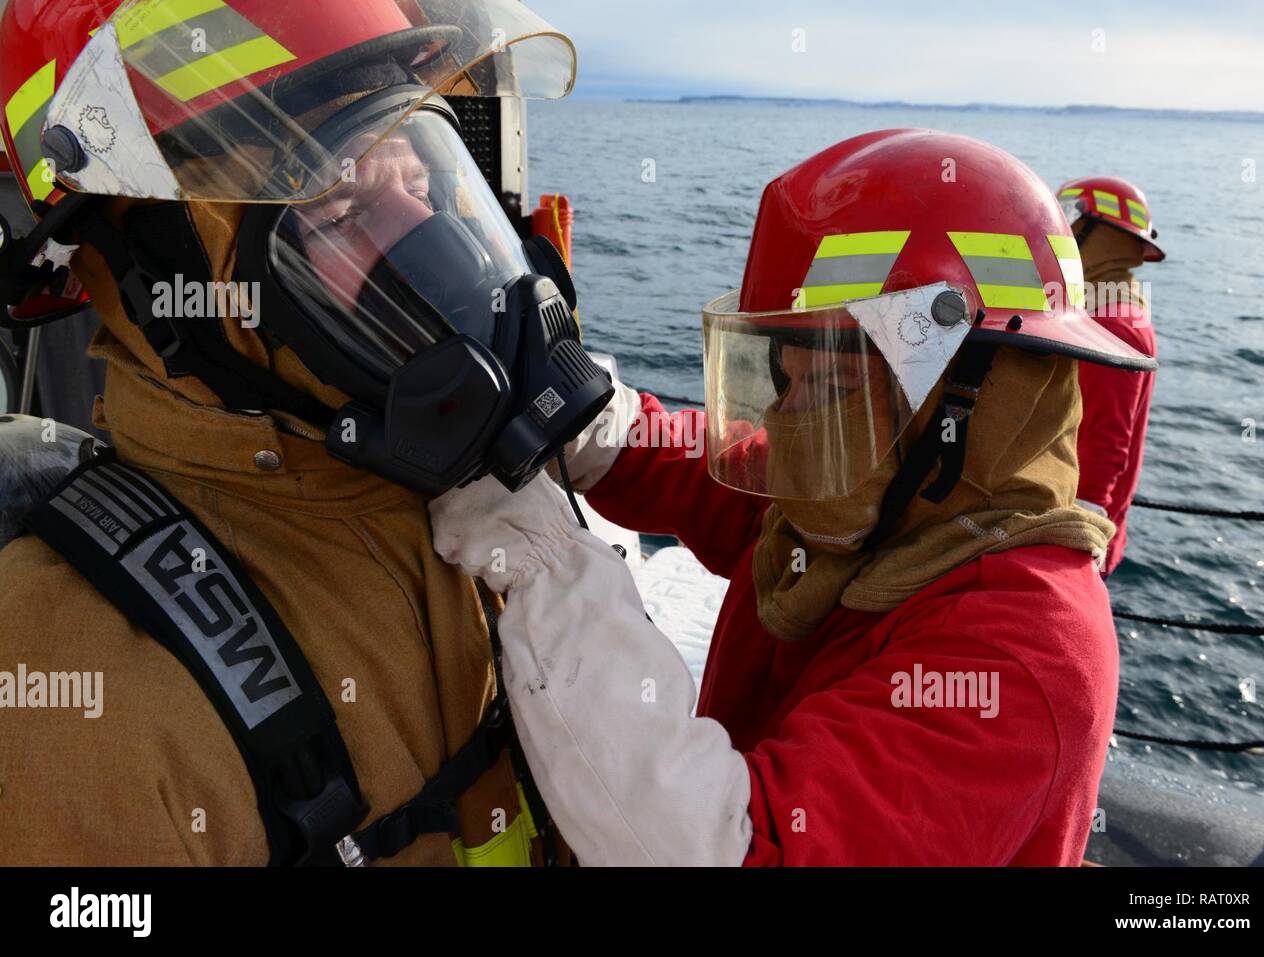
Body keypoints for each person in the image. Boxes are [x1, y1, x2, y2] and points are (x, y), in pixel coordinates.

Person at [428, 129, 1159, 866]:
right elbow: (704, 471)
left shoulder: (1025, 653)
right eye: (787, 379)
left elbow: (741, 851)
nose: (787, 421)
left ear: (973, 402)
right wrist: (587, 421)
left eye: (832, 385)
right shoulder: (872, 494)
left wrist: (547, 564)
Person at [0, 0, 597, 866]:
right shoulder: (79, 705)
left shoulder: (444, 492)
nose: (433, 248)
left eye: (423, 176)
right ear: (151, 277)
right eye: (343, 203)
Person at [1058, 176, 1163, 576]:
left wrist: (1081, 540)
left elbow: (1105, 439)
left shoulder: (1114, 322)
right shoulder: (1107, 299)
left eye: (1067, 220)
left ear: (1094, 231)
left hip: (1073, 533)